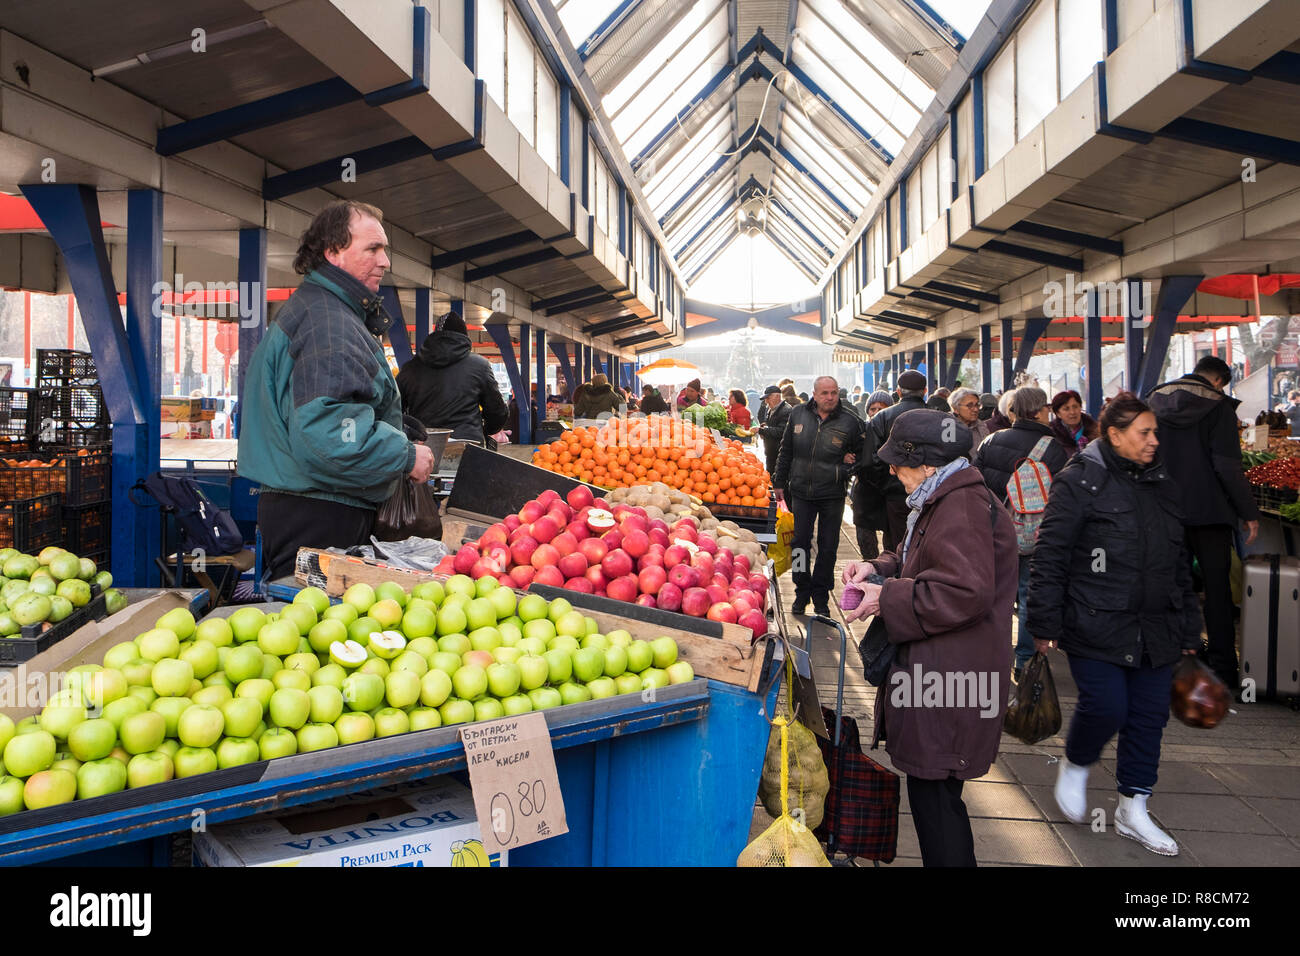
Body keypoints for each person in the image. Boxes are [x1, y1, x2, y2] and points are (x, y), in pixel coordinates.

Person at [1027, 393, 1202, 857]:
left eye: (1155, 432)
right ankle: (1077, 762)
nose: (1154, 440)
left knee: (1148, 718)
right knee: (1107, 706)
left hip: (1157, 625)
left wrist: (1189, 625)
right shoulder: (1080, 481)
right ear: (1115, 435)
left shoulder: (1164, 481)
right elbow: (1051, 555)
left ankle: (1133, 808)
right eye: (1145, 432)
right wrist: (1043, 622)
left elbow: (1178, 560)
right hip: (1095, 621)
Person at [841, 409, 1017, 867]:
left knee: (937, 801)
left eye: (899, 463)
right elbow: (917, 556)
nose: (893, 471)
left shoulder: (959, 505)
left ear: (930, 464)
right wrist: (878, 568)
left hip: (950, 678)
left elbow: (963, 591)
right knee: (934, 795)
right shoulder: (943, 496)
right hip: (941, 671)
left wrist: (886, 598)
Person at [238, 200, 434, 581]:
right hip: (319, 514)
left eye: (385, 249)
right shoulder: (329, 324)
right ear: (333, 252)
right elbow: (329, 432)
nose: (385, 261)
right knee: (312, 626)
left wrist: (392, 425)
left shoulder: (323, 310)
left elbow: (333, 409)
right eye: (373, 249)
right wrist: (405, 454)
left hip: (308, 505)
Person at [1145, 355, 1260, 689]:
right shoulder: (1220, 407)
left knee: (1172, 587)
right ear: (1219, 380)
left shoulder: (1155, 401)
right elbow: (1227, 467)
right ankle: (1223, 667)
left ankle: (1170, 664)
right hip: (1211, 513)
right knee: (1217, 591)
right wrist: (1249, 512)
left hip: (1165, 510)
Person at [972, 387, 1071, 679]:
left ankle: (992, 655)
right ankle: (1024, 659)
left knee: (995, 595)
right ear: (1039, 411)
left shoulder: (990, 440)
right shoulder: (1052, 448)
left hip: (993, 532)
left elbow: (975, 485)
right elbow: (1061, 496)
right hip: (1032, 535)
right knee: (1028, 595)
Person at [773, 376, 865, 616]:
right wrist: (779, 481)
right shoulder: (798, 414)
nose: (830, 397)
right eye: (824, 393)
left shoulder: (850, 421)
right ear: (814, 394)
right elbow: (786, 450)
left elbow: (863, 455)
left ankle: (821, 596)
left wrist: (844, 469)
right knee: (800, 544)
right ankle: (802, 591)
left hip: (832, 494)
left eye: (833, 392)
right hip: (801, 491)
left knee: (828, 546)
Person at [397, 312, 508, 444]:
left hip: (424, 446)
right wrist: (484, 429)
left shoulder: (410, 368)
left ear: (434, 335)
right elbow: (497, 412)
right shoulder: (480, 366)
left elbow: (393, 409)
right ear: (464, 337)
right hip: (468, 446)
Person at [862, 370, 929, 552]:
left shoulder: (882, 418)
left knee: (899, 545)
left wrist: (885, 484)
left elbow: (870, 460)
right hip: (932, 493)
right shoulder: (938, 417)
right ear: (924, 390)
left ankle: (900, 578)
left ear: (898, 392)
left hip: (895, 493)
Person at [850, 391, 894, 560]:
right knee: (865, 535)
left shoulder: (895, 432)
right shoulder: (861, 430)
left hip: (887, 490)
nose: (876, 412)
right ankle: (871, 568)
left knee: (890, 534)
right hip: (865, 490)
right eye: (872, 408)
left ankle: (889, 568)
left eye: (881, 408)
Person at [1049, 389, 1099, 453]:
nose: (1072, 412)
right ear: (1058, 414)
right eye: (1066, 409)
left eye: (1075, 407)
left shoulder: (1096, 431)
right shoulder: (1051, 435)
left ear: (1080, 407)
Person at [758, 385, 791, 477]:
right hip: (771, 452)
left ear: (777, 396)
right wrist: (766, 427)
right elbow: (774, 426)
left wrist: (762, 430)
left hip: (779, 454)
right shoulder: (771, 409)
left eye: (768, 398)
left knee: (777, 479)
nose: (766, 401)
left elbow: (781, 431)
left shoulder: (786, 410)